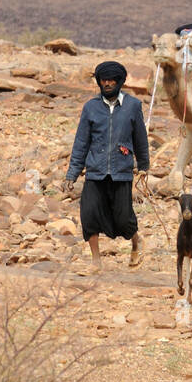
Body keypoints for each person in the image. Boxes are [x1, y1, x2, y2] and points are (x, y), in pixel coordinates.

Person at [62, 61, 151, 267]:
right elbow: (81, 142)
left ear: (119, 81)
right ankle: (96, 261)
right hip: (95, 171)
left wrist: (144, 166)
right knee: (89, 214)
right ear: (99, 82)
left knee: (123, 218)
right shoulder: (91, 107)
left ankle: (137, 243)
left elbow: (140, 139)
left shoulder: (132, 106)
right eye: (104, 79)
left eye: (112, 79)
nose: (108, 83)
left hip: (121, 171)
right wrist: (71, 174)